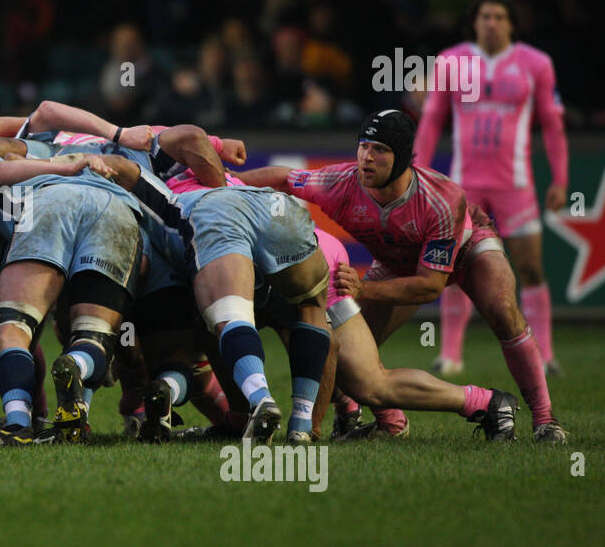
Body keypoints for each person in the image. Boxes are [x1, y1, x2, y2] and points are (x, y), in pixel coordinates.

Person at [239, 109, 566, 442]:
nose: (367, 157)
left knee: (503, 311)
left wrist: (363, 289)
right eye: (363, 145)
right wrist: (224, 183)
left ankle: (545, 420)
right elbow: (282, 178)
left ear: (403, 159)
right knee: (347, 358)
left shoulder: (442, 199)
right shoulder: (341, 182)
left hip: (468, 250)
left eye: (379, 149)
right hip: (400, 266)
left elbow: (429, 286)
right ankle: (389, 423)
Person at [414, 0, 569, 377]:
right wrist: (417, 171)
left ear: (512, 23)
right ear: (475, 21)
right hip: (465, 184)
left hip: (515, 184)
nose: (492, 22)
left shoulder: (536, 64)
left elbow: (552, 125)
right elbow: (432, 120)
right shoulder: (451, 61)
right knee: (452, 268)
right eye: (485, 15)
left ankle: (545, 354)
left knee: (530, 267)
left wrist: (561, 179)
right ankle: (450, 354)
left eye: (500, 16)